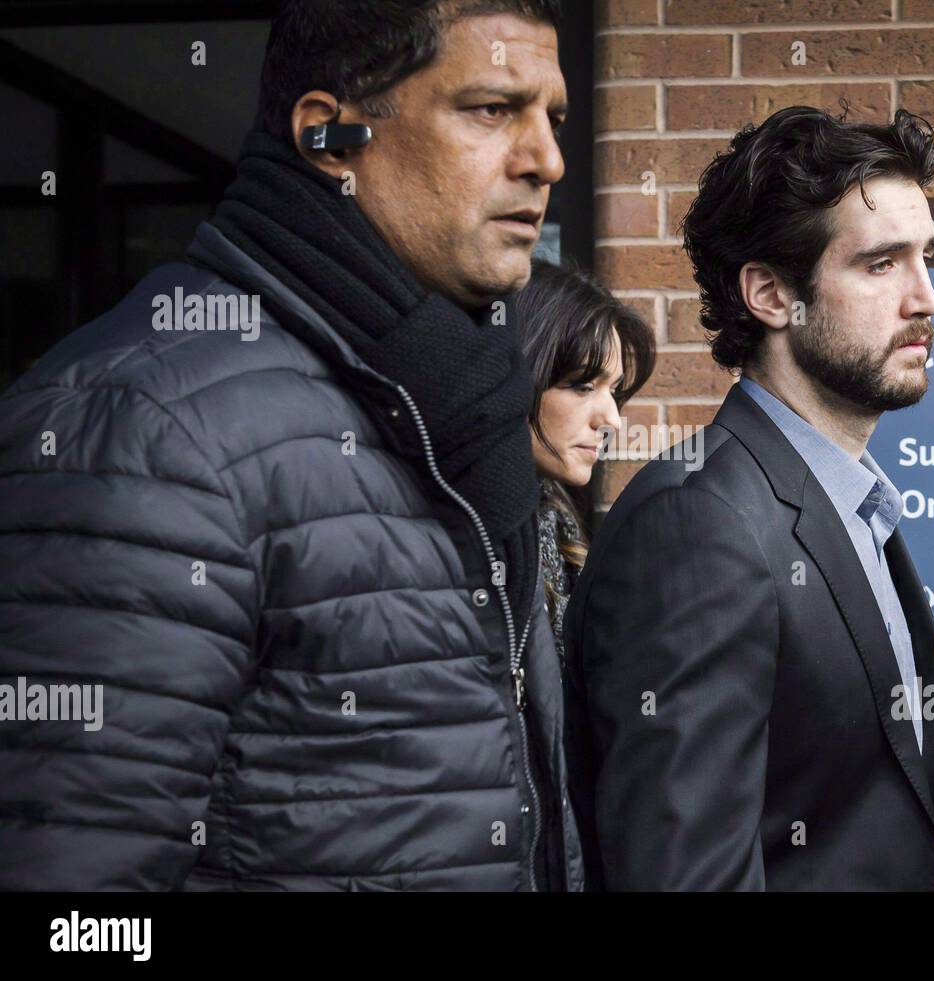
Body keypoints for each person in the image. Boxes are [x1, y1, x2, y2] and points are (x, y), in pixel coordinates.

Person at [0, 0, 584, 891]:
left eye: (554, 118)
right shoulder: (143, 427)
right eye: (491, 109)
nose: (546, 159)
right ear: (327, 137)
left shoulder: (464, 397)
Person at [564, 107, 934, 891]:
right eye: (881, 264)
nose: (927, 298)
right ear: (771, 295)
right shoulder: (697, 524)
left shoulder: (851, 504)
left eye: (927, 257)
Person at [515, 260, 655, 663]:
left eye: (614, 390)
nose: (611, 419)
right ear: (520, 376)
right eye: (583, 386)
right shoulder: (462, 535)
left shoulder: (553, 521)